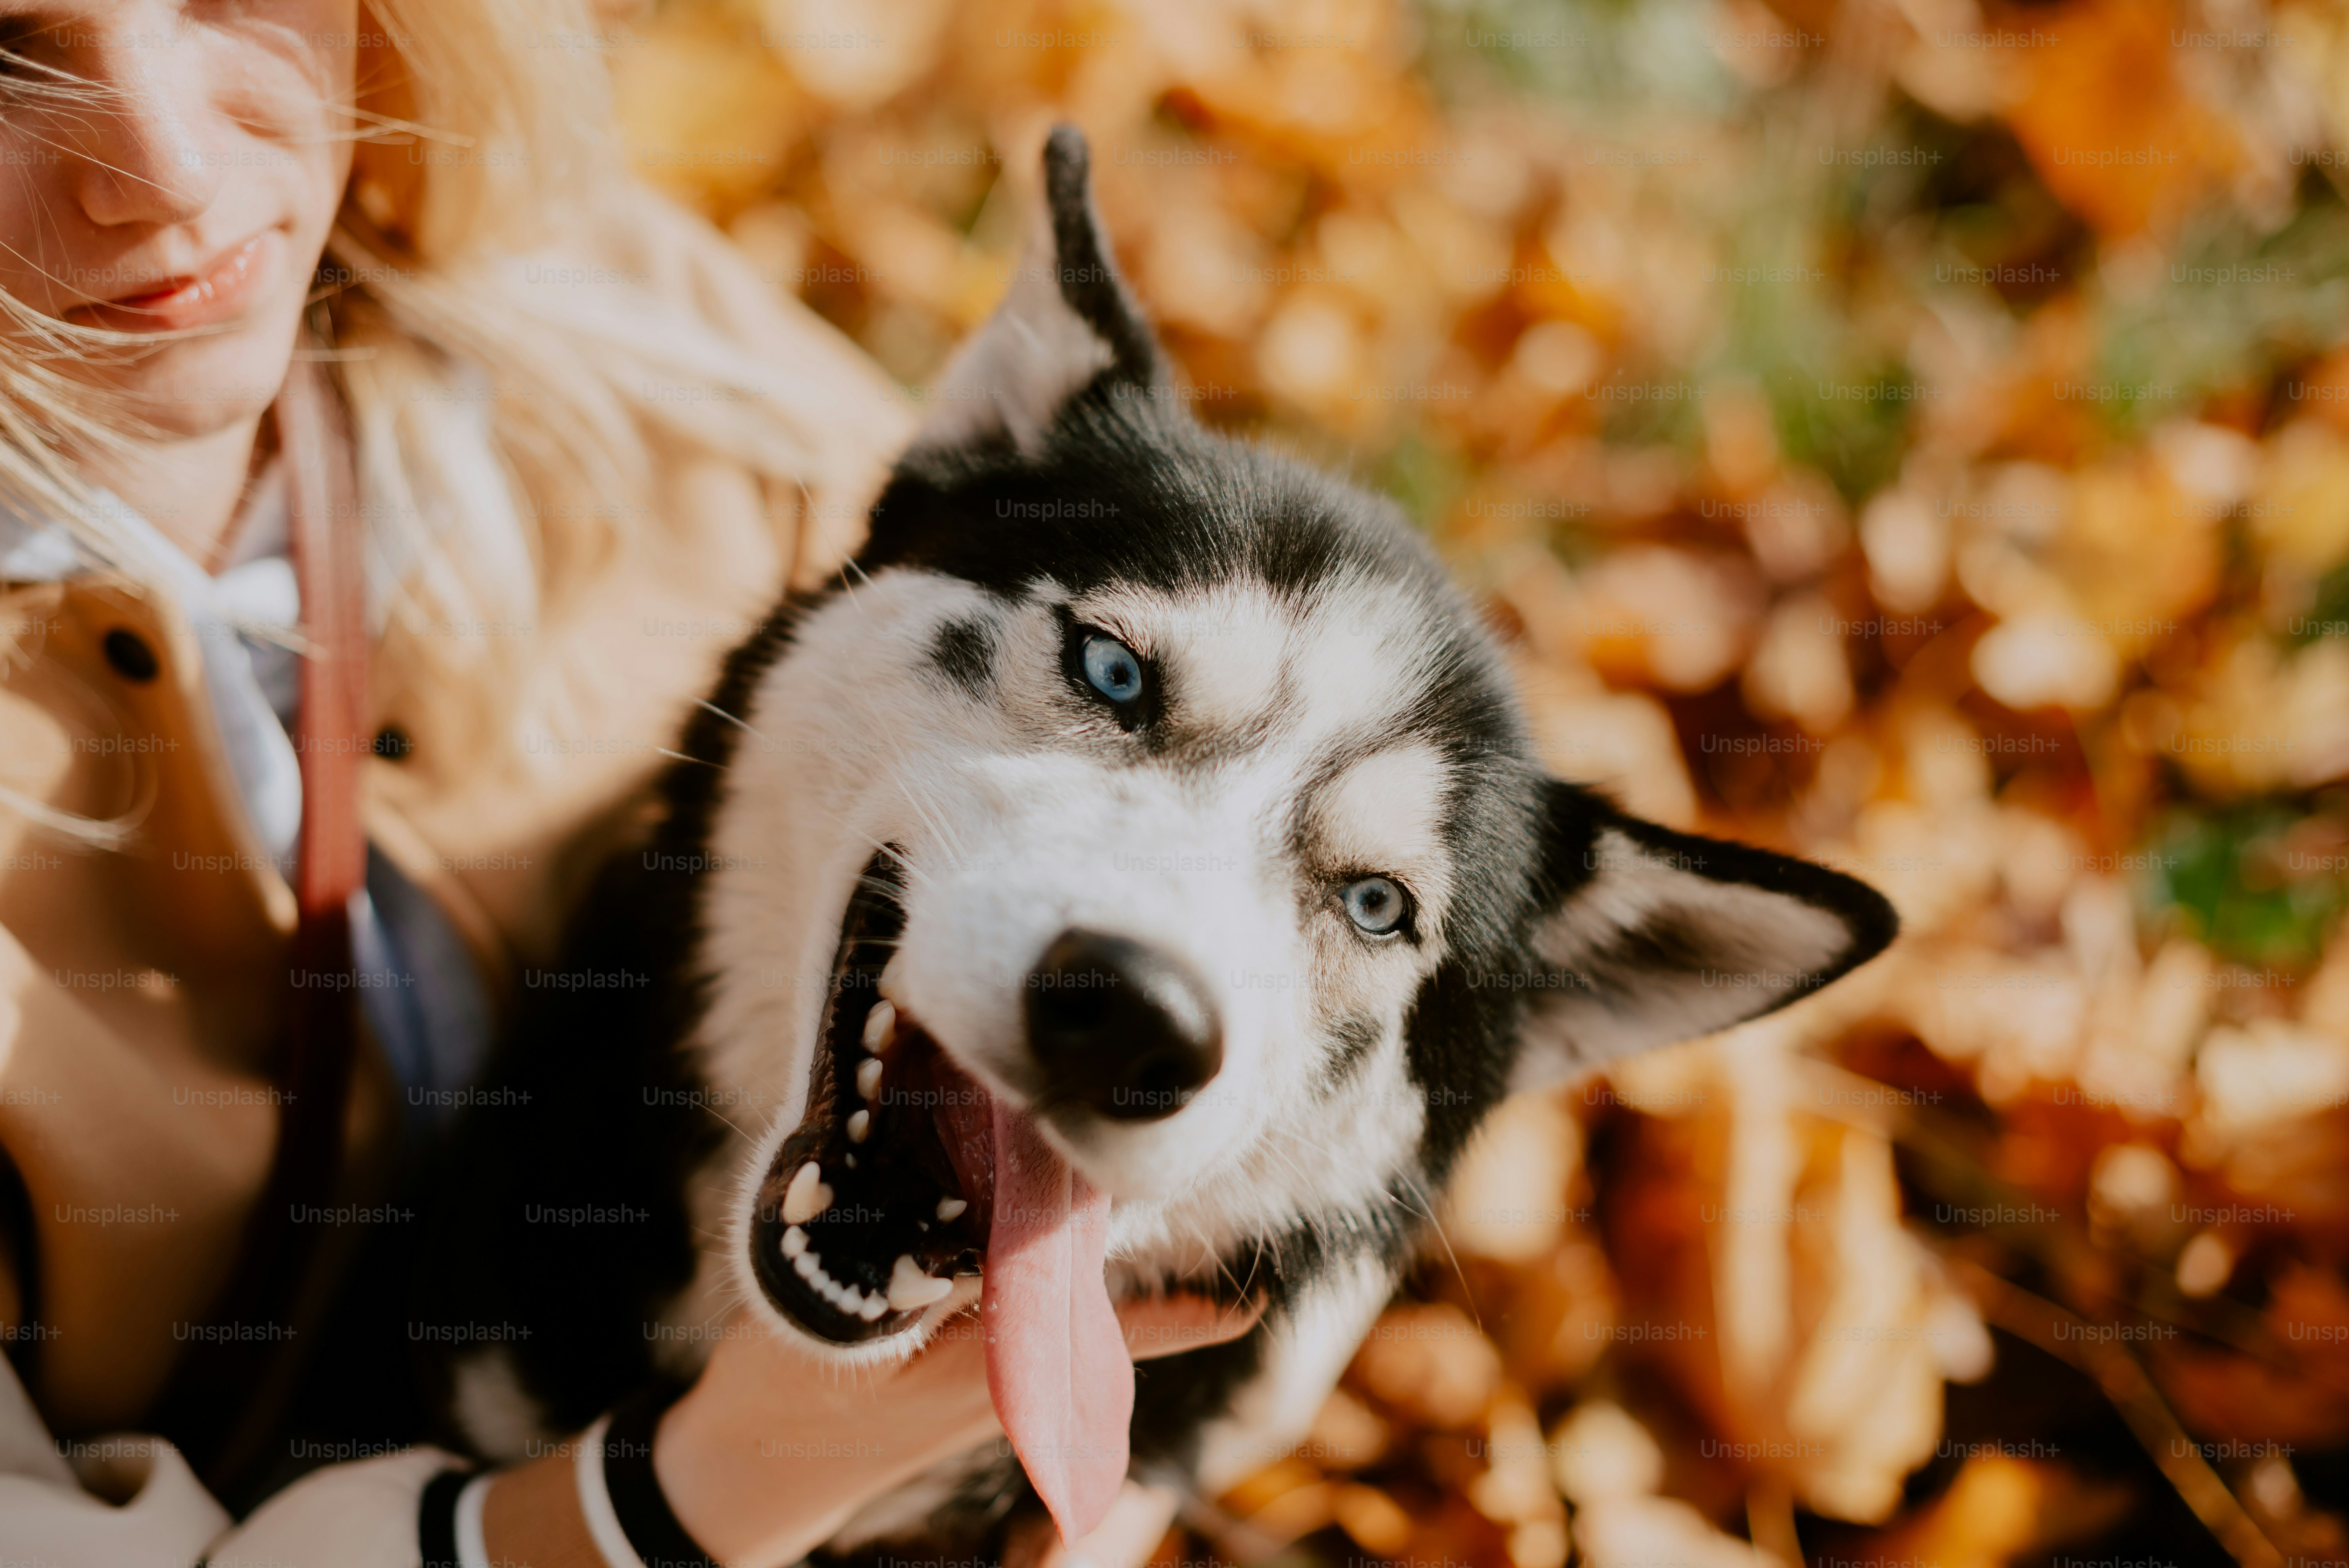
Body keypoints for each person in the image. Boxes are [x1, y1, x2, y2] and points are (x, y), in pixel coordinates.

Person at [0, 3, 1246, 1563]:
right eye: (4, 53)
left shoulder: (596, 311)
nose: (168, 166)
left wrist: (1134, 1461)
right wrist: (699, 1490)